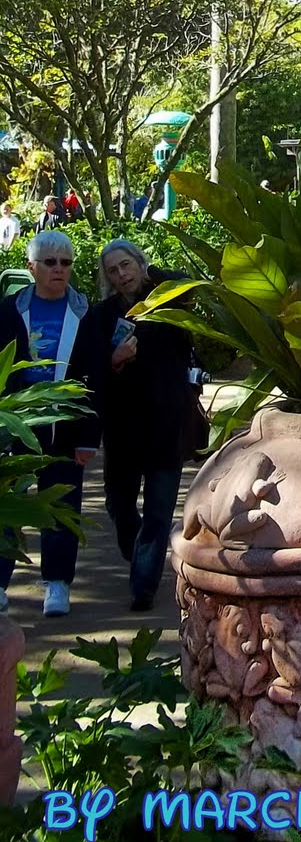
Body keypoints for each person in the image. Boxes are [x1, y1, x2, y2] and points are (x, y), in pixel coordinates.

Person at [0, 230, 107, 616]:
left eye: (66, 262)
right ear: (32, 268)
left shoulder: (84, 313)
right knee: (7, 503)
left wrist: (88, 437)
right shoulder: (8, 311)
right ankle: (0, 581)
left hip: (64, 424)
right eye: (50, 262)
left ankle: (57, 583)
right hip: (15, 423)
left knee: (61, 503)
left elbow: (96, 377)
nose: (59, 269)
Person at [95, 240, 194, 613]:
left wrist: (153, 275)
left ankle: (143, 587)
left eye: (127, 265)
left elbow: (187, 283)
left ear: (140, 263)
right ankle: (139, 553)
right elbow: (89, 367)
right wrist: (114, 359)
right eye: (113, 271)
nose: (122, 275)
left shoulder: (168, 302)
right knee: (120, 507)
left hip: (167, 424)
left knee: (158, 511)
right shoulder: (103, 315)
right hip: (122, 430)